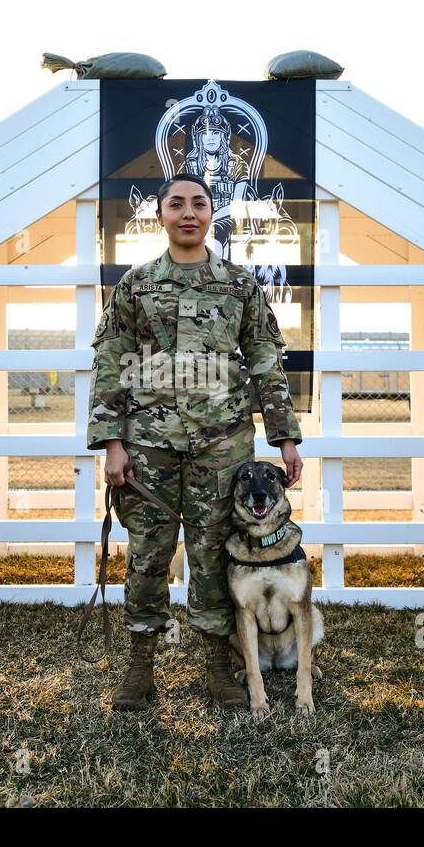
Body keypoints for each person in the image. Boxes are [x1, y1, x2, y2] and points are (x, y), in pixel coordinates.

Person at [88, 173, 303, 711]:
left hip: (222, 446)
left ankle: (218, 667)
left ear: (212, 213)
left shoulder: (239, 285)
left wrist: (285, 438)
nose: (188, 212)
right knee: (147, 553)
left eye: (199, 204)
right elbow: (110, 364)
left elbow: (265, 362)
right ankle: (140, 669)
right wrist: (112, 442)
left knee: (211, 555)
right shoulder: (135, 286)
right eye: (176, 204)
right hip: (149, 448)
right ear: (159, 215)